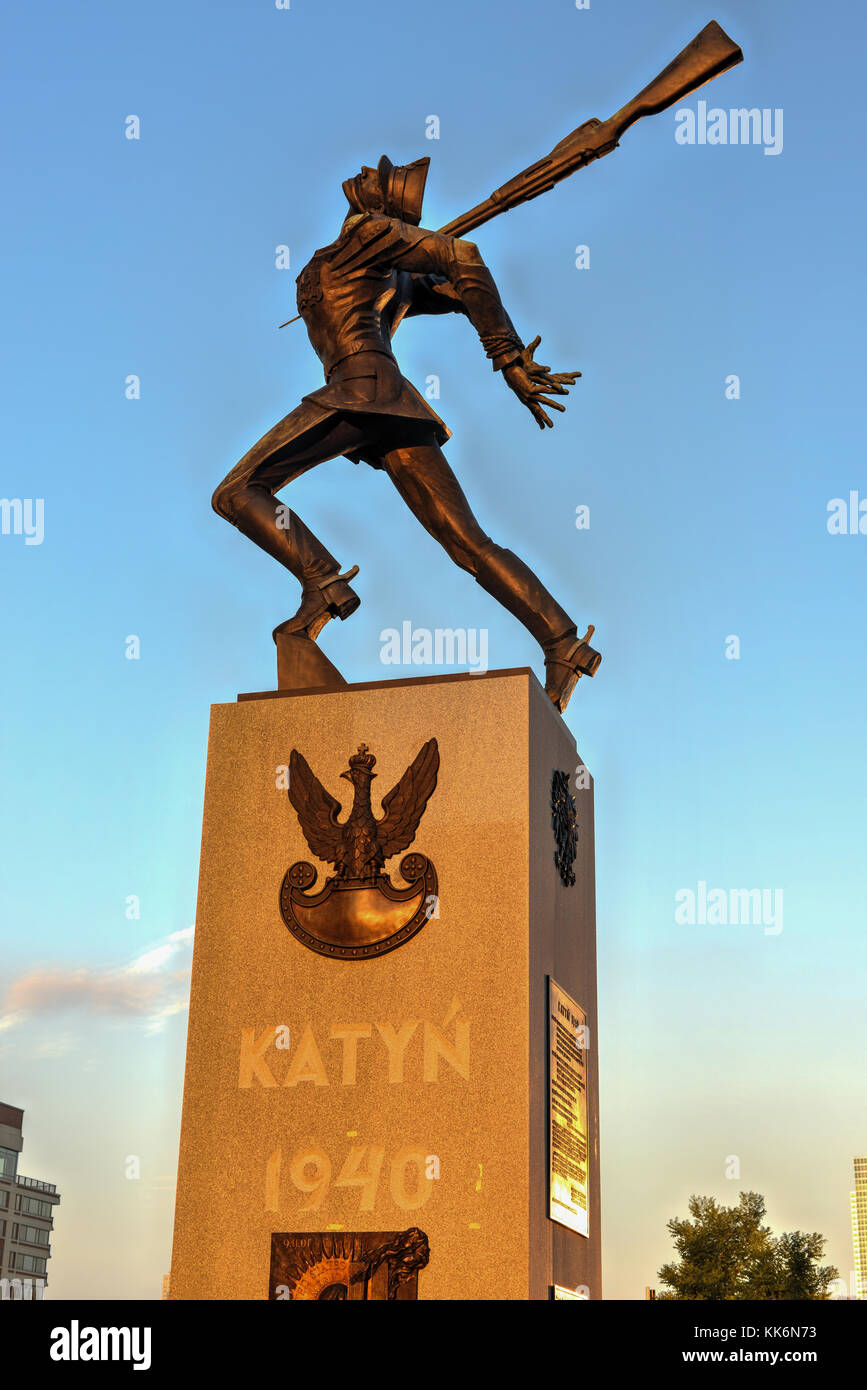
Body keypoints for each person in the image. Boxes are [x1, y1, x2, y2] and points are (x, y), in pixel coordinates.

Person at [212, 155, 600, 710]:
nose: (369, 171)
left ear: (381, 205)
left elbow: (463, 261)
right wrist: (412, 265)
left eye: (380, 178)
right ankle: (561, 641)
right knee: (466, 542)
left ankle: (322, 581)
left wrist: (506, 356)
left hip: (359, 391)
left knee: (236, 491)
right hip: (386, 403)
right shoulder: (373, 254)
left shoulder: (374, 235)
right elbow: (451, 276)